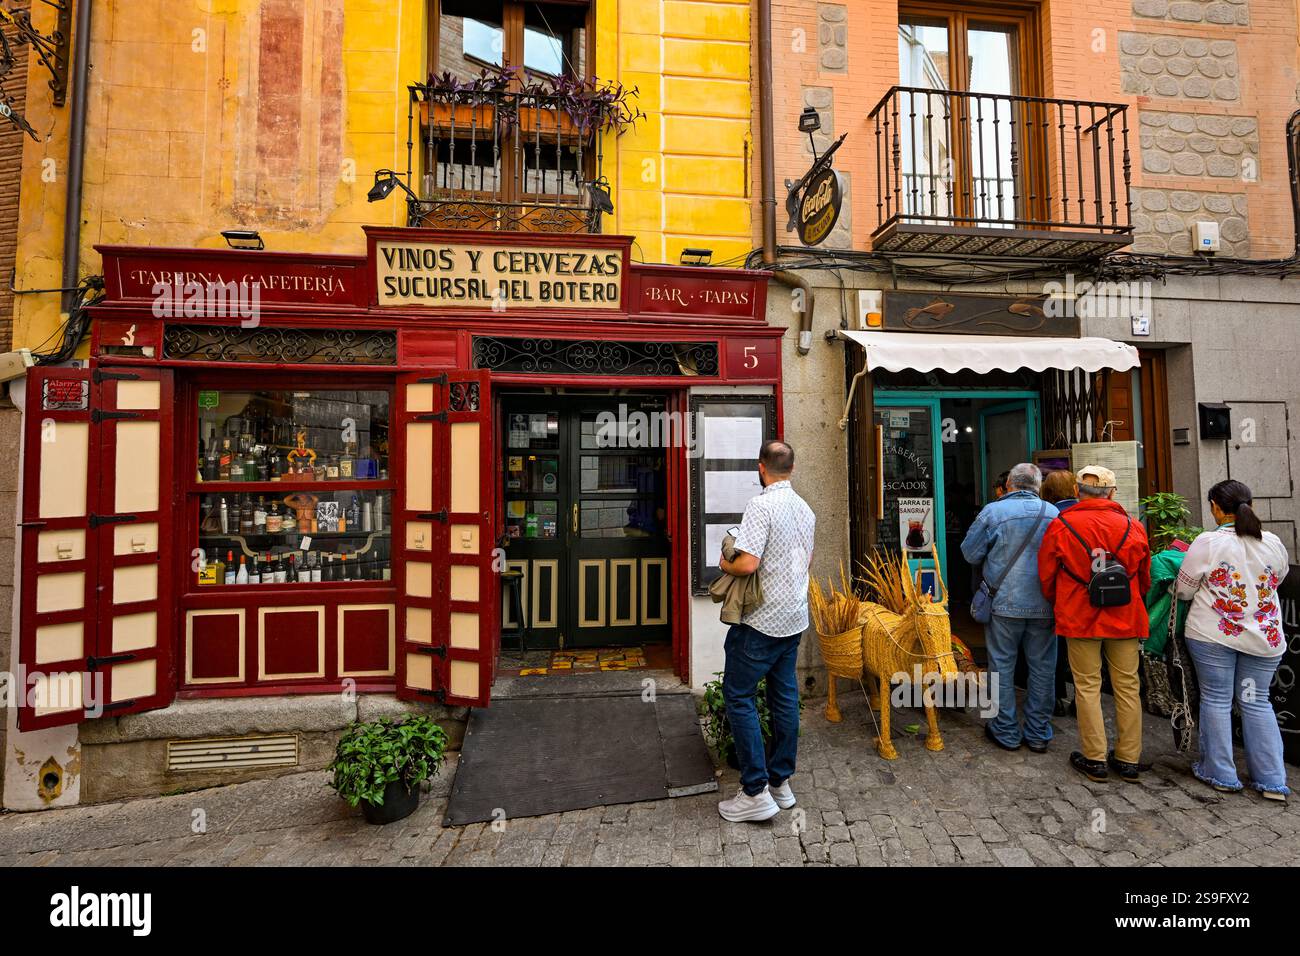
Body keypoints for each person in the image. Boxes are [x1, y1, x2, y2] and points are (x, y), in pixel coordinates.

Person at [716, 439, 816, 822]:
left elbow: (746, 564)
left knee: (738, 695)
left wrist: (725, 564)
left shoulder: (761, 505)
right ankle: (781, 783)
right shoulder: (804, 508)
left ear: (762, 467)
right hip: (793, 617)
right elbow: (806, 560)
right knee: (784, 698)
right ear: (791, 468)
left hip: (761, 620)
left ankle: (755, 791)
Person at [1176, 480, 1291, 802]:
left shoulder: (1209, 542)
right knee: (1256, 702)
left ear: (1214, 506)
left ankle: (1221, 772)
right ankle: (1271, 779)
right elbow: (1276, 581)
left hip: (1214, 634)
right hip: (1264, 637)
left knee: (1216, 699)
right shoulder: (1273, 542)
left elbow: (1184, 589)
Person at [1037, 465, 1151, 783]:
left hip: (1080, 615)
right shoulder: (1132, 525)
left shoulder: (1063, 524)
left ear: (1077, 491)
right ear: (1113, 492)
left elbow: (1046, 574)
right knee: (1128, 686)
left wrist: (1059, 599)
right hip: (1125, 615)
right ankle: (1129, 758)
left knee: (1087, 686)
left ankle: (1095, 757)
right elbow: (1144, 578)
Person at [961, 462, 1058, 753]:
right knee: (1043, 669)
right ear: (1037, 486)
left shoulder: (993, 512)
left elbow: (969, 553)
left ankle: (1005, 730)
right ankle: (1038, 733)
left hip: (1004, 602)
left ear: (1011, 485)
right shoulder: (1054, 514)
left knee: (1001, 666)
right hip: (1045, 604)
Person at [1041, 468, 1081, 711]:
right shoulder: (1084, 513)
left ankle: (1056, 697)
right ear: (1075, 489)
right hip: (1087, 595)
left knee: (1053, 648)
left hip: (1061, 593)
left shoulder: (1050, 517)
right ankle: (1080, 700)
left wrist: (1048, 593)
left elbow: (1047, 564)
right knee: (1083, 653)